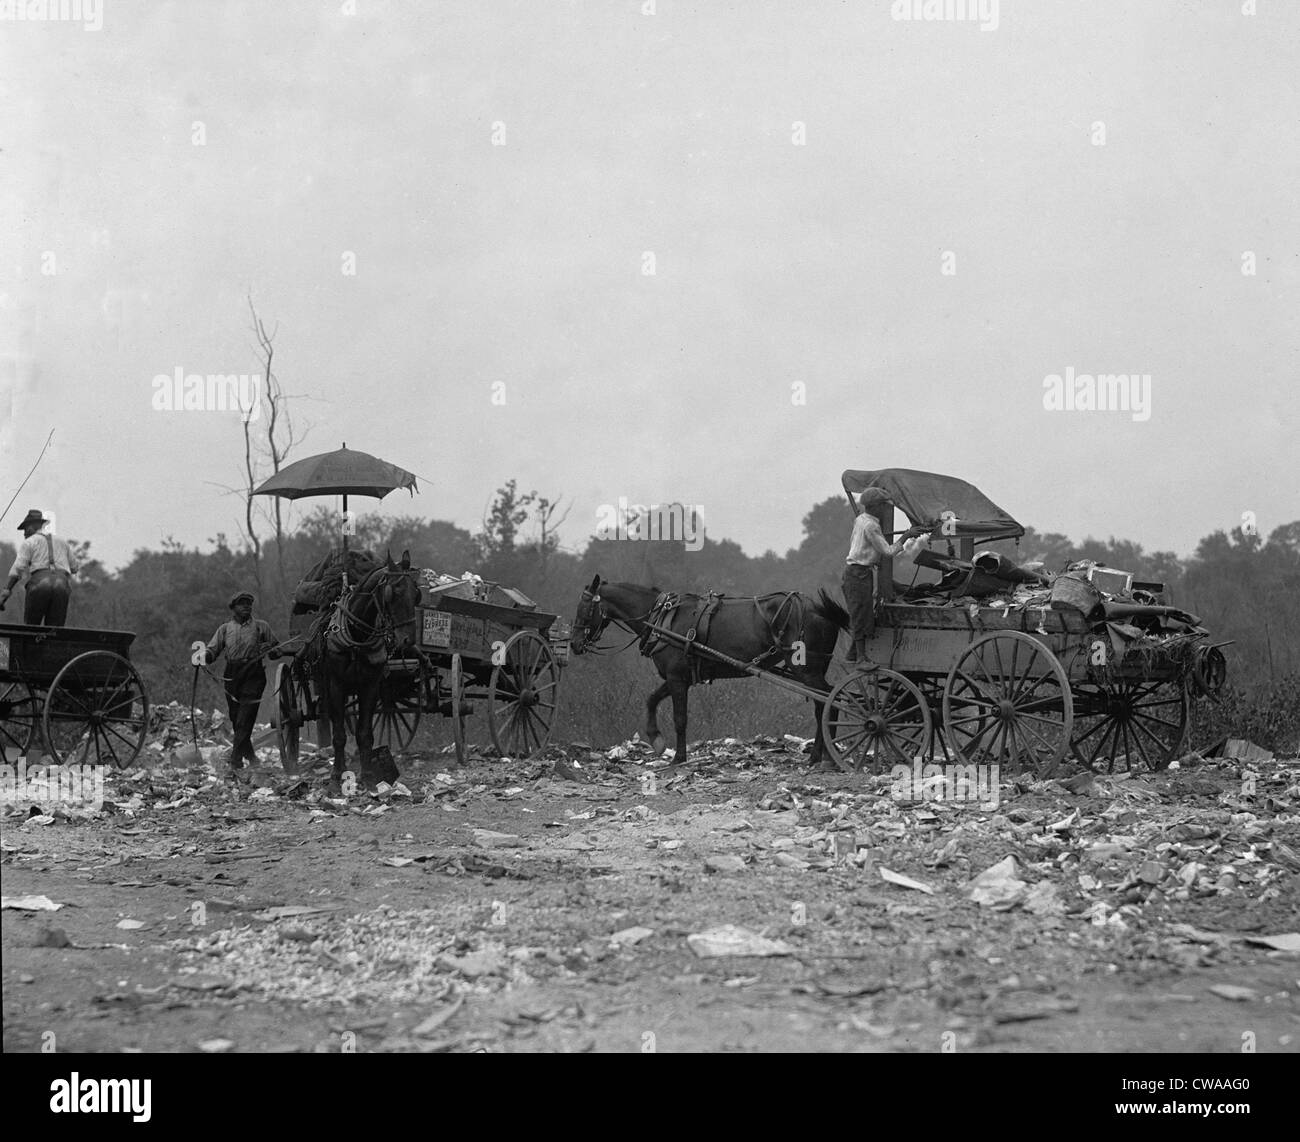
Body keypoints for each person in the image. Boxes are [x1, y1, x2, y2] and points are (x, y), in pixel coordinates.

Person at [843, 489, 931, 667]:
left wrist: (873, 560)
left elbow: (863, 548)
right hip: (858, 575)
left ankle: (855, 653)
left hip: (859, 572)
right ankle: (860, 658)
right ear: (875, 507)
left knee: (865, 612)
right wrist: (907, 535)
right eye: (883, 505)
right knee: (861, 613)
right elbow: (888, 552)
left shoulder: (861, 519)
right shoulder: (871, 526)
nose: (886, 509)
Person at [203, 591, 282, 771]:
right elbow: (212, 651)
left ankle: (235, 761)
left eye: (248, 603)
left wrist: (271, 648)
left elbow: (277, 652)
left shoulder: (262, 627)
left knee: (244, 718)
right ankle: (252, 757)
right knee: (236, 717)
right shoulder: (224, 629)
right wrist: (203, 656)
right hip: (232, 674)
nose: (246, 606)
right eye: (241, 603)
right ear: (233, 608)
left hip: (253, 673)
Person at [1, 509, 78, 626]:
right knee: (54, 632)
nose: (24, 533)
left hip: (40, 584)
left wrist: (4, 594)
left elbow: (17, 570)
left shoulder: (29, 542)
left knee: (31, 630)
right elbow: (74, 568)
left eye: (25, 529)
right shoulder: (62, 542)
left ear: (32, 527)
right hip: (62, 586)